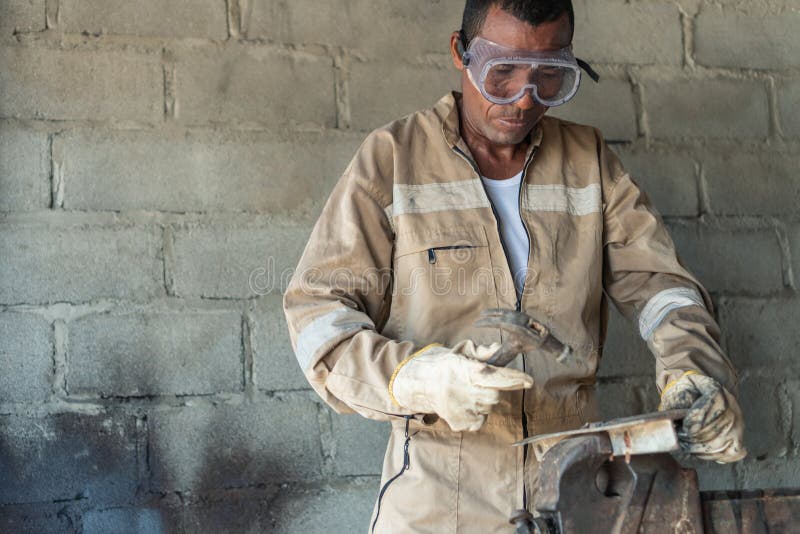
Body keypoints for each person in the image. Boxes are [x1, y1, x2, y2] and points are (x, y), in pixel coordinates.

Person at [283, 1, 746, 531]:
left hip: (575, 496)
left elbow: (663, 289)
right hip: (439, 501)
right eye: (502, 75)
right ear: (461, 53)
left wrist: (696, 372)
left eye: (549, 77)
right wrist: (415, 379)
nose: (525, 99)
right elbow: (318, 315)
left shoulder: (588, 161)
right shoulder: (392, 159)